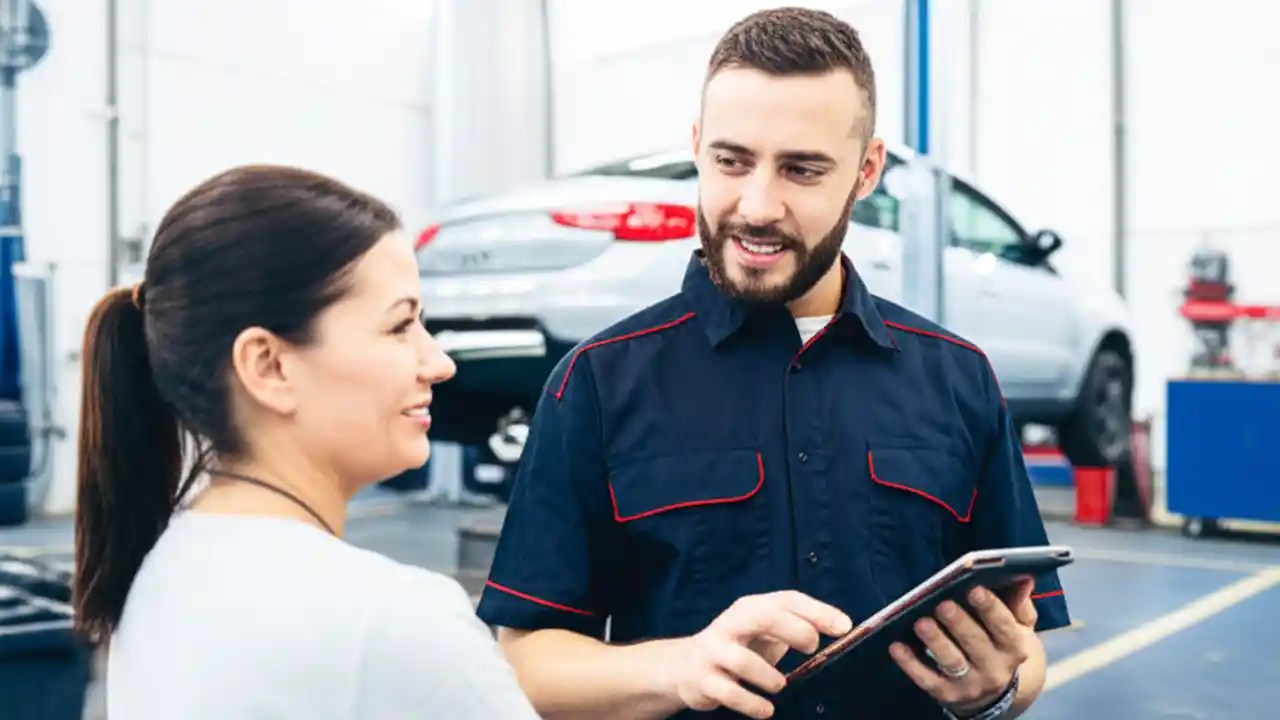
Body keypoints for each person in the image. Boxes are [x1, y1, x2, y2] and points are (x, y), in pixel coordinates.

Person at [476, 8, 1069, 720]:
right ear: (697, 147)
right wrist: (677, 667)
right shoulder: (598, 383)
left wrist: (996, 691)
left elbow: (1024, 645)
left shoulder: (959, 379)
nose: (757, 206)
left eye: (802, 169)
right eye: (731, 161)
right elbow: (527, 662)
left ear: (866, 171)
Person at [72, 165, 541, 719]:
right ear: (268, 365)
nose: (437, 362)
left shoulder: (158, 572)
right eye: (399, 326)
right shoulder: (393, 620)